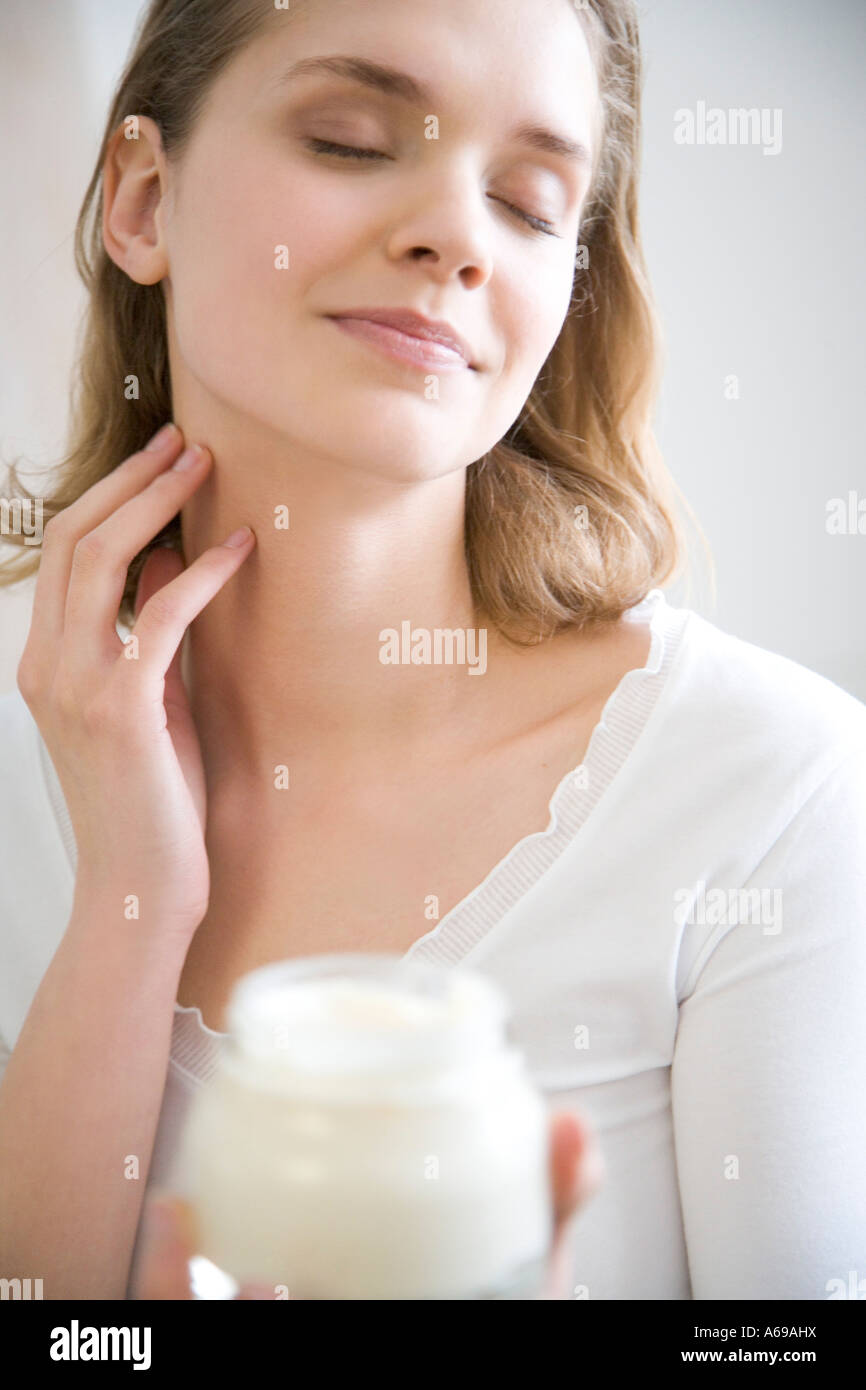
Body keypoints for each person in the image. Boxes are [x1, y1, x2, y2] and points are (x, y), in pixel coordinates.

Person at [1, 0, 864, 1301]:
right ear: (140, 198)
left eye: (525, 203)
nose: (455, 234)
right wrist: (131, 904)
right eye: (351, 138)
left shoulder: (771, 786)